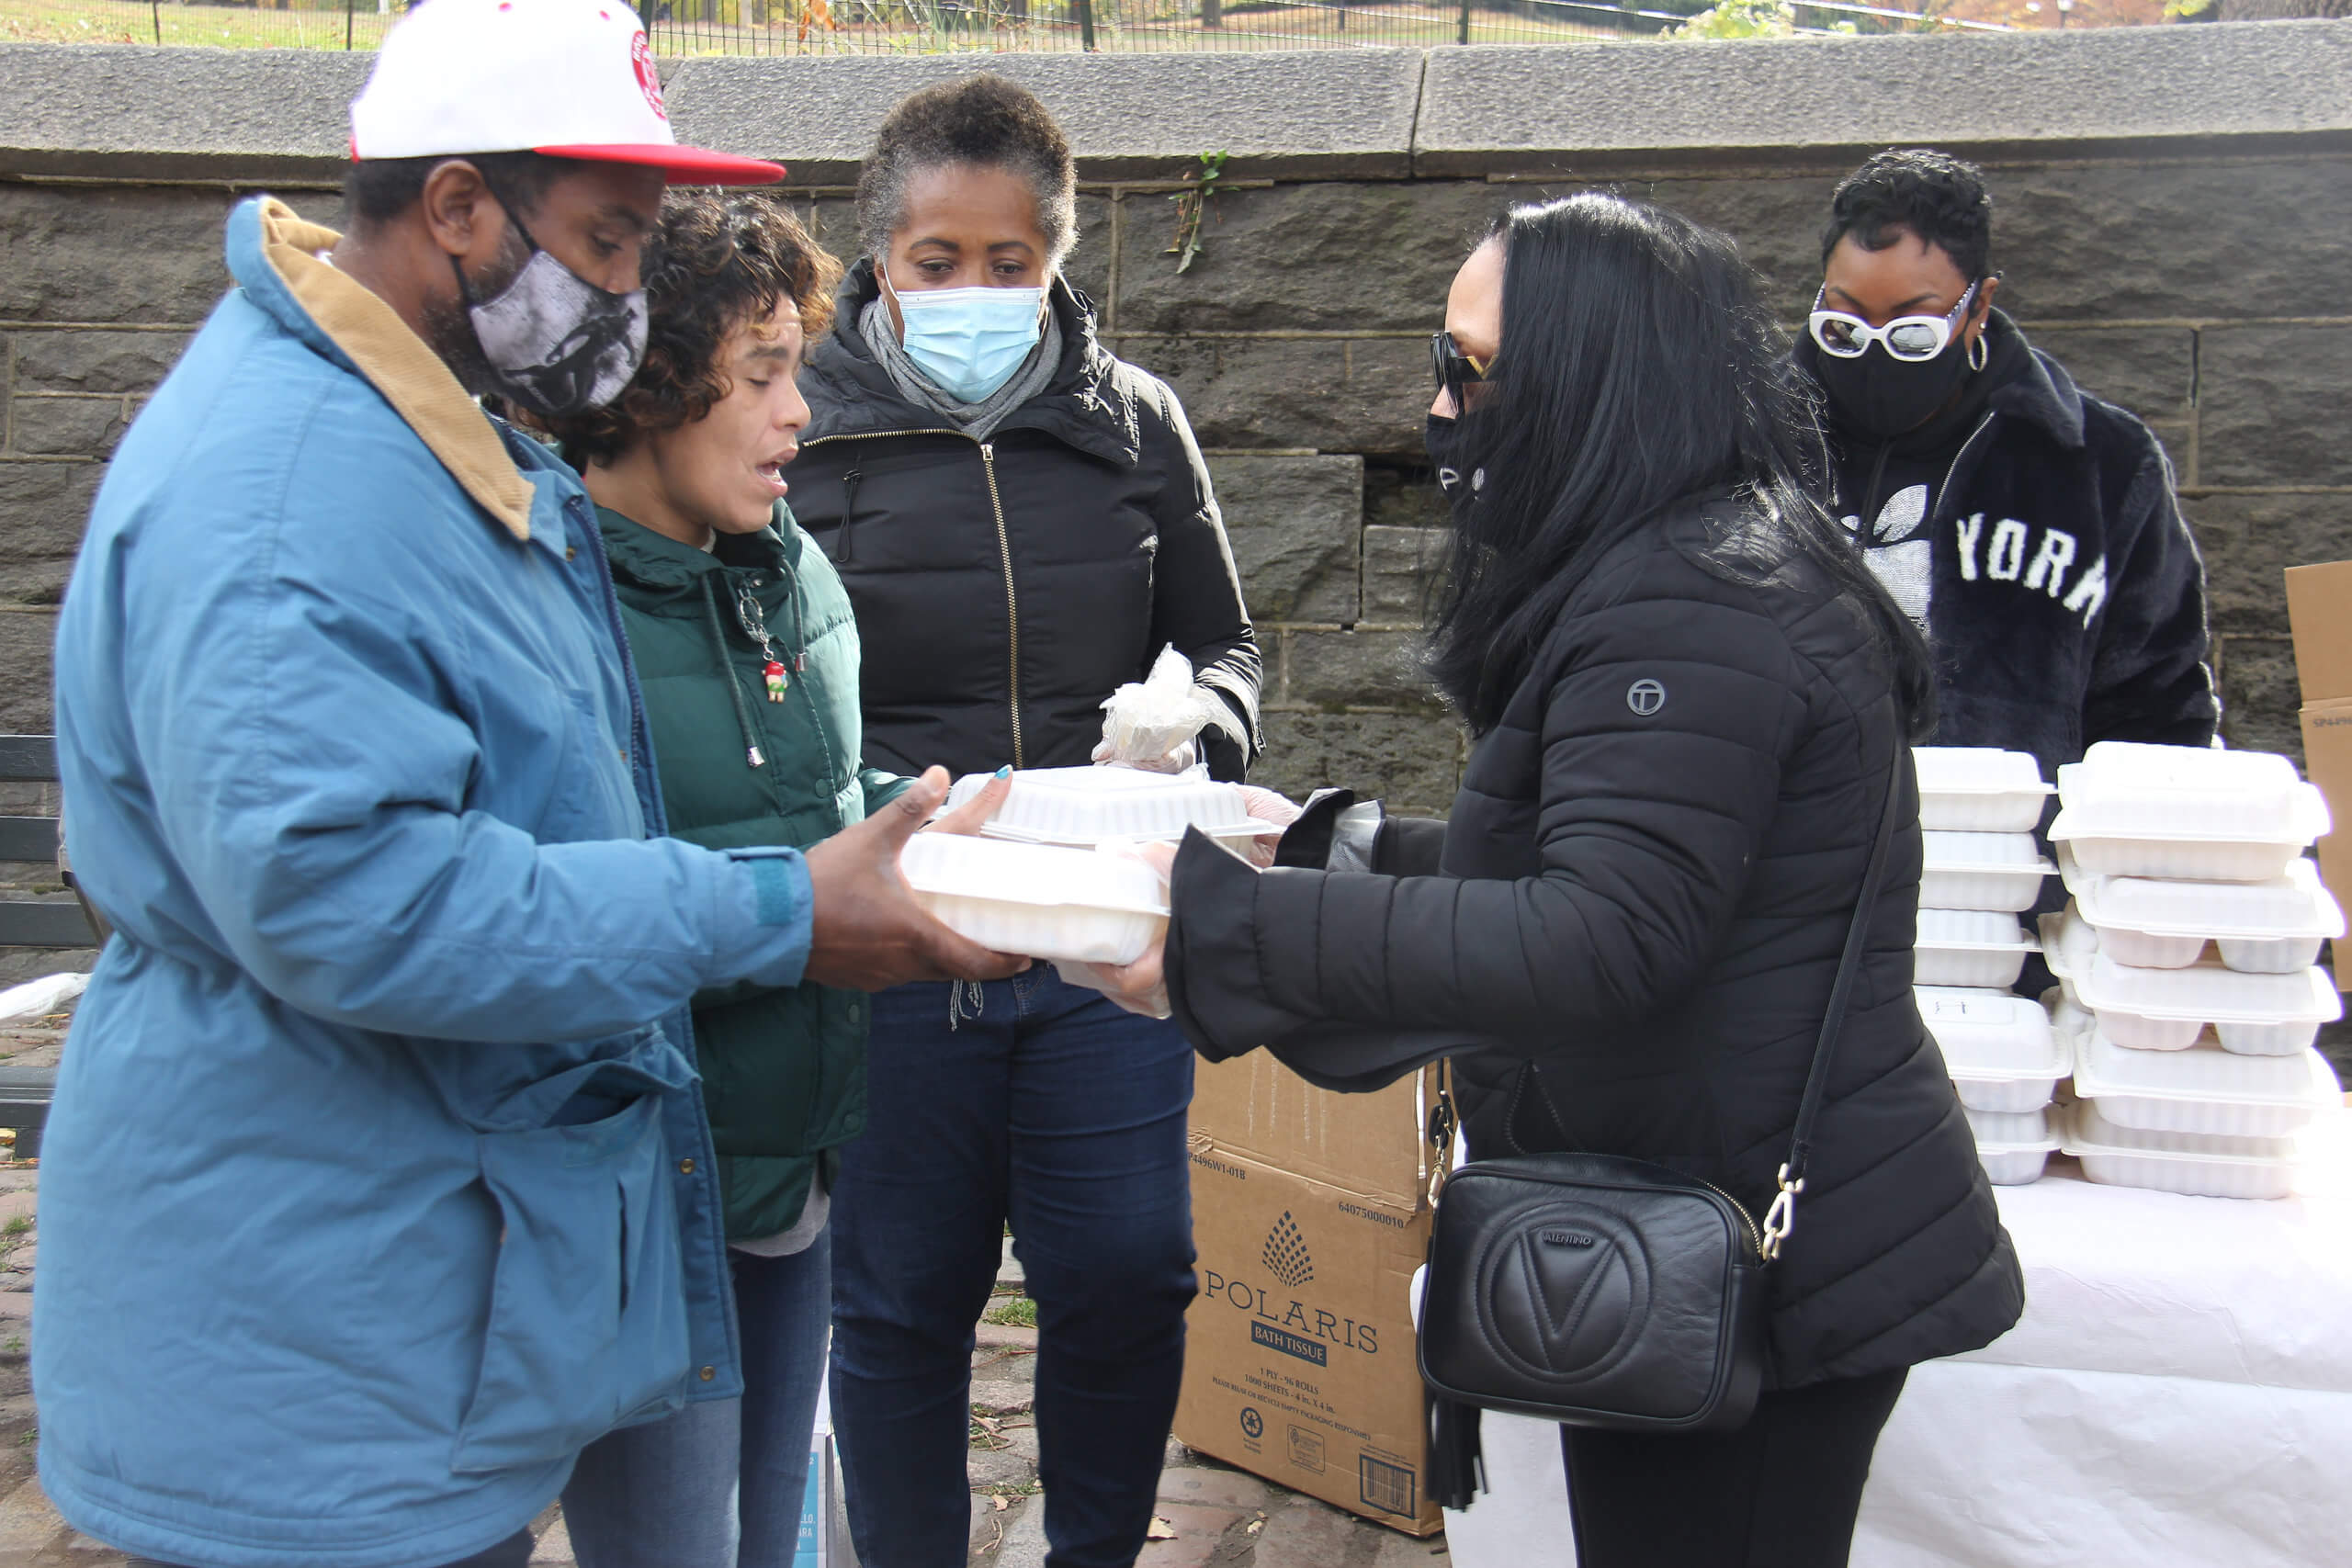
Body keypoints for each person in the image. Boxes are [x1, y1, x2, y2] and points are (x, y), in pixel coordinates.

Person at [39, 6, 1019, 1566]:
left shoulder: (414, 439)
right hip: (310, 1340)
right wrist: (778, 909)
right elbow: (351, 896)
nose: (635, 290)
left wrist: (871, 843)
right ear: (456, 208)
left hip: (395, 1286)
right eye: (609, 241)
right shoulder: (297, 487)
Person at [1089, 196, 2026, 1568]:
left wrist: (1221, 931)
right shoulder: (1695, 557)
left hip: (1753, 1244)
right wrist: (1318, 850)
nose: (1440, 406)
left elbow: (1601, 934)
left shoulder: (1694, 599)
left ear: (1594, 379)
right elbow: (1611, 859)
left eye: (1472, 369)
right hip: (1704, 1198)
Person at [786, 74, 1264, 1568]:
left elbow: (1227, 641)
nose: (975, 291)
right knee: (899, 1297)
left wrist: (1200, 721)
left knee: (1128, 1269)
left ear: (1058, 255)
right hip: (900, 928)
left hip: (1103, 933)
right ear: (880, 257)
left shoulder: (1136, 423)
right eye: (938, 261)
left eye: (1011, 261)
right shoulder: (798, 426)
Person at [536, 191, 1008, 1568]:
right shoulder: (547, 599)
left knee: (767, 1533)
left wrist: (939, 829)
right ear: (647, 383)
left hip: (794, 1171)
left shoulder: (785, 564)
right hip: (642, 1195)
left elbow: (811, 796)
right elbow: (552, 911)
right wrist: (803, 902)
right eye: (761, 375)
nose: (800, 411)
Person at [1800, 148, 2218, 786]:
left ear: (1978, 306)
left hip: (2011, 845)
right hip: (1792, 845)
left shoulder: (2103, 462)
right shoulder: (1749, 441)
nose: (1874, 350)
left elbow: (2157, 708)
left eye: (1913, 332)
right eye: (1844, 325)